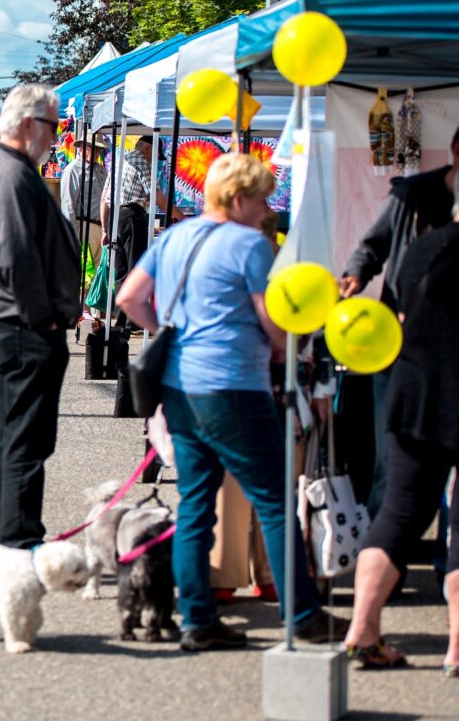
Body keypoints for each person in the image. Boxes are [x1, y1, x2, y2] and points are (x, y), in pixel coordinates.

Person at [115, 151, 344, 650]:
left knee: (196, 505)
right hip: (235, 385)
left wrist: (168, 332)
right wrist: (294, 343)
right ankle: (302, 613)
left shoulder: (175, 236)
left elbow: (130, 298)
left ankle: (197, 619)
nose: (268, 210)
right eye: (262, 199)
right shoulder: (249, 245)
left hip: (180, 387)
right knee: (276, 503)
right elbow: (272, 323)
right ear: (238, 199)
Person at [342, 185, 459, 673]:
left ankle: (361, 630)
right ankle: (457, 649)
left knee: (399, 512)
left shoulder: (423, 248)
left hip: (416, 392)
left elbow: (407, 311)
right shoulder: (416, 214)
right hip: (440, 389)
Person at [0, 84, 79, 548]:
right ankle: (18, 537)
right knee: (25, 440)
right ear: (29, 124)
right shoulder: (10, 175)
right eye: (53, 127)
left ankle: (13, 530)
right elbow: (17, 257)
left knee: (18, 434)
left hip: (16, 321)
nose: (56, 138)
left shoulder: (3, 169)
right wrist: (45, 320)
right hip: (23, 324)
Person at [337, 123, 458, 517]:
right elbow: (372, 245)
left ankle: (445, 557)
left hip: (452, 349)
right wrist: (356, 274)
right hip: (400, 341)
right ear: (456, 151)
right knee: (393, 453)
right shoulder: (413, 195)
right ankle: (380, 534)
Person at [101, 134, 175, 334]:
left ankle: (121, 321)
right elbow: (159, 199)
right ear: (148, 149)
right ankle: (132, 322)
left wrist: (105, 229)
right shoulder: (142, 163)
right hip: (133, 217)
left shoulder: (118, 162)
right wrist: (183, 217)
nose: (154, 161)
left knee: (121, 271)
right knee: (136, 270)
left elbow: (103, 198)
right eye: (155, 155)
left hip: (115, 216)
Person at [60, 135, 106, 271]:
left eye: (99, 149)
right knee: (85, 276)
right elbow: (68, 206)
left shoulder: (101, 170)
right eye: (94, 148)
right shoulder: (73, 170)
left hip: (100, 228)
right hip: (84, 227)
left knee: (96, 276)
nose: (97, 152)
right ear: (81, 148)